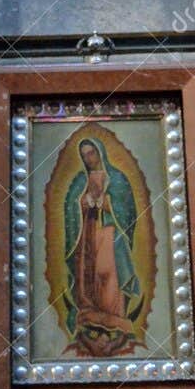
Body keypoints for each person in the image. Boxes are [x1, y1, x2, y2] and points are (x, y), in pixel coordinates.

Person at [63, 138, 142, 357]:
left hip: (109, 234)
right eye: (85, 155)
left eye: (92, 153)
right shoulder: (80, 181)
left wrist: (106, 202)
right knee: (88, 275)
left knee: (108, 274)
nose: (89, 158)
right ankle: (91, 315)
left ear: (100, 152)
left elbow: (127, 209)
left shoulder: (116, 178)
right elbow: (70, 205)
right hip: (87, 234)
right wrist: (81, 203)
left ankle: (113, 318)